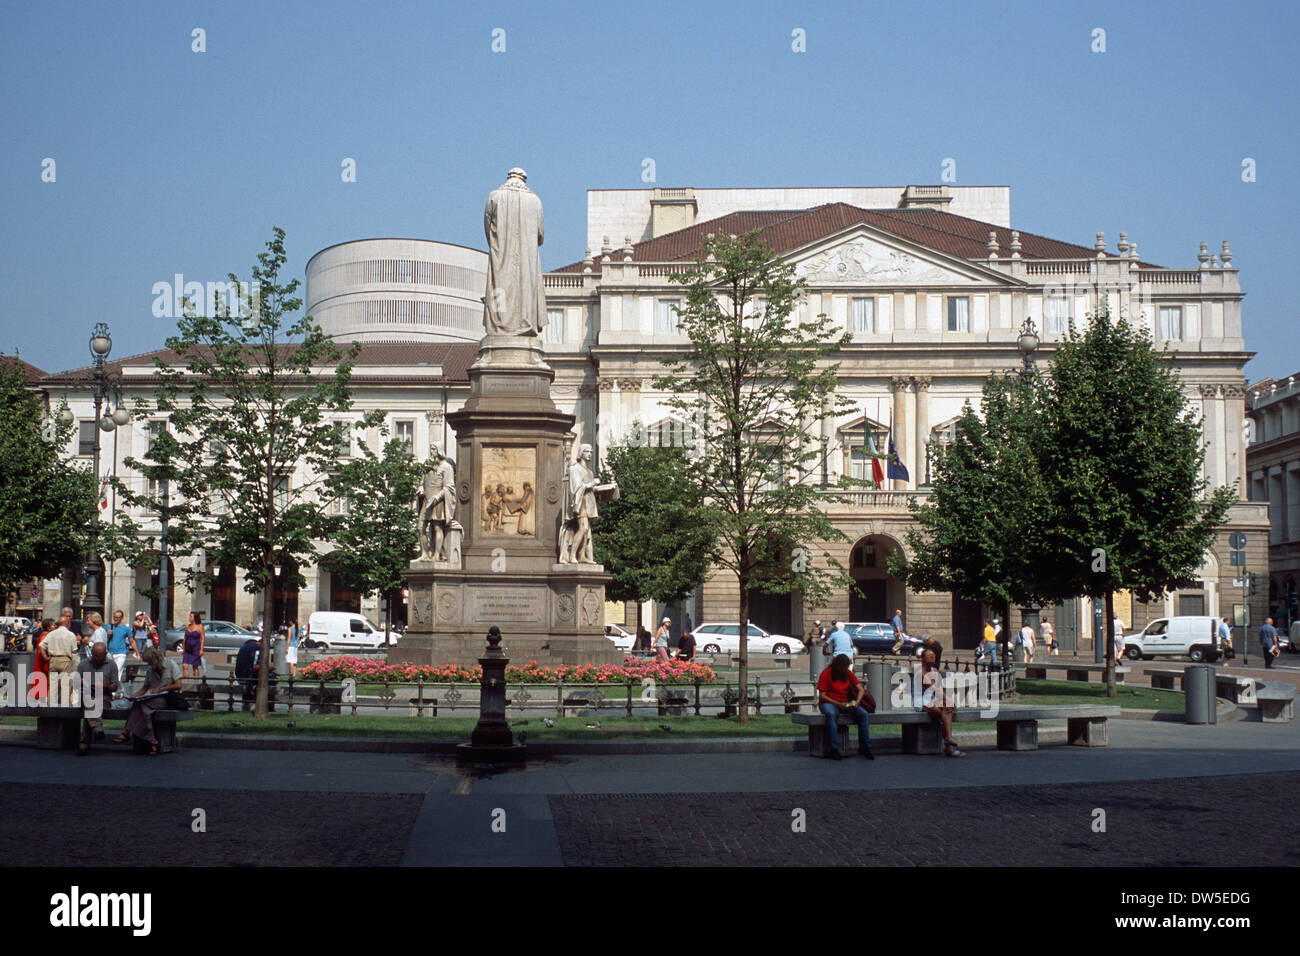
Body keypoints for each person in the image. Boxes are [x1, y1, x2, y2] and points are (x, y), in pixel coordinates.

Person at [116, 647, 182, 756]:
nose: (150, 666)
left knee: (140, 705)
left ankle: (126, 731)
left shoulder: (171, 664)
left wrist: (161, 689)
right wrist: (133, 696)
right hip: (152, 699)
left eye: (150, 663)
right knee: (143, 708)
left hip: (167, 698)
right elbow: (144, 688)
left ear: (156, 660)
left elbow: (178, 685)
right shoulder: (150, 670)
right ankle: (152, 741)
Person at [816, 654, 872, 759]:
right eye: (843, 667)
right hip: (830, 702)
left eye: (846, 667)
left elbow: (861, 689)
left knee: (863, 714)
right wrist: (838, 704)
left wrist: (857, 702)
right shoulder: (826, 673)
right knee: (831, 714)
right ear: (837, 666)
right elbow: (822, 695)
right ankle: (833, 748)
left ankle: (865, 747)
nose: (844, 670)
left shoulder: (848, 673)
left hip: (845, 702)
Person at [913, 648, 965, 757]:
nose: (932, 657)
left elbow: (939, 689)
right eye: (928, 655)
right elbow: (933, 689)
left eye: (933, 655)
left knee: (946, 708)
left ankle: (949, 742)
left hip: (932, 700)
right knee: (944, 712)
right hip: (921, 702)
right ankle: (949, 744)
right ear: (922, 659)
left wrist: (947, 701)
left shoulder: (935, 671)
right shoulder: (920, 672)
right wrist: (948, 700)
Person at [76, 642, 119, 756]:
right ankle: (97, 728)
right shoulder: (84, 664)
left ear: (105, 654)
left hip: (103, 698)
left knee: (89, 710)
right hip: (85, 696)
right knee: (88, 700)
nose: (97, 659)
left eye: (100, 656)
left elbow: (115, 687)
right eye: (95, 655)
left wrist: (104, 686)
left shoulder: (111, 665)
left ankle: (84, 743)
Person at [43, 608, 80, 705]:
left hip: (53, 660)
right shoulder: (70, 634)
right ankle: (65, 708)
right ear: (67, 623)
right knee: (66, 686)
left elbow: (41, 646)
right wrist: (76, 665)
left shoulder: (51, 633)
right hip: (65, 660)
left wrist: (46, 657)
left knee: (53, 686)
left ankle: (51, 707)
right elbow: (75, 651)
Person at [106, 610, 132, 694]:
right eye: (114, 617)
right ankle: (121, 690)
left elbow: (132, 641)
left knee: (117, 672)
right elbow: (104, 640)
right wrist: (108, 635)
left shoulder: (126, 629)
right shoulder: (109, 627)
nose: (116, 619)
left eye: (118, 617)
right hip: (110, 653)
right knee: (111, 673)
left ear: (121, 618)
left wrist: (137, 653)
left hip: (121, 653)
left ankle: (113, 692)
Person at [28, 617, 54, 701]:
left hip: (43, 661)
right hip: (43, 663)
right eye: (53, 625)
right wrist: (46, 658)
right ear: (49, 627)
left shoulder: (45, 634)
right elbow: (41, 646)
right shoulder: (45, 635)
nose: (55, 626)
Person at [181, 611, 205, 678]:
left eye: (191, 616)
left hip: (196, 648)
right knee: (184, 665)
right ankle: (186, 683)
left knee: (195, 666)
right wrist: (183, 648)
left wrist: (201, 649)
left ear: (195, 618)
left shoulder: (200, 627)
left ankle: (196, 683)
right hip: (188, 648)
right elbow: (185, 638)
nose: (189, 618)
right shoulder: (188, 626)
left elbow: (202, 638)